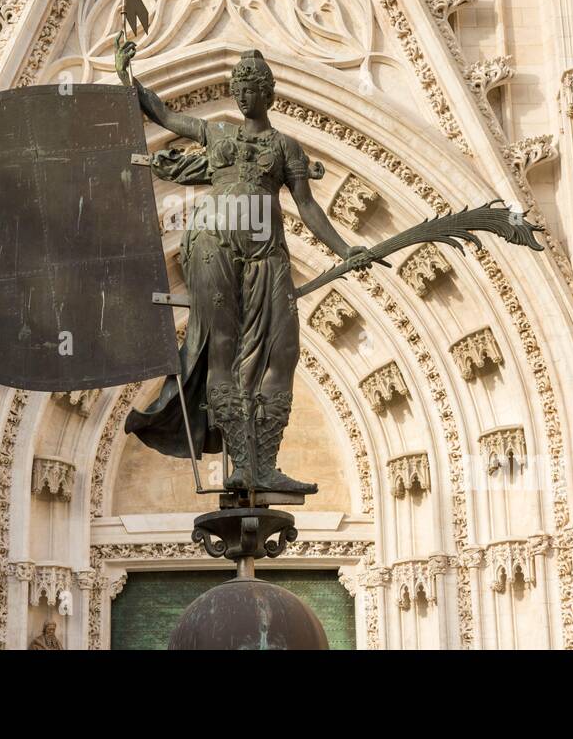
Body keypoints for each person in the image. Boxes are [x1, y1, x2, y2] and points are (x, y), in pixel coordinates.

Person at [116, 37, 377, 494]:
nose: (241, 93)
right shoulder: (217, 134)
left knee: (283, 350)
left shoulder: (286, 147)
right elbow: (163, 114)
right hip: (213, 242)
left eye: (251, 87)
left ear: (268, 93)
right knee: (221, 348)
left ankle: (263, 463)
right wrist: (128, 78)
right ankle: (243, 465)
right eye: (238, 86)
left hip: (265, 253)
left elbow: (308, 207)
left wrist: (344, 249)